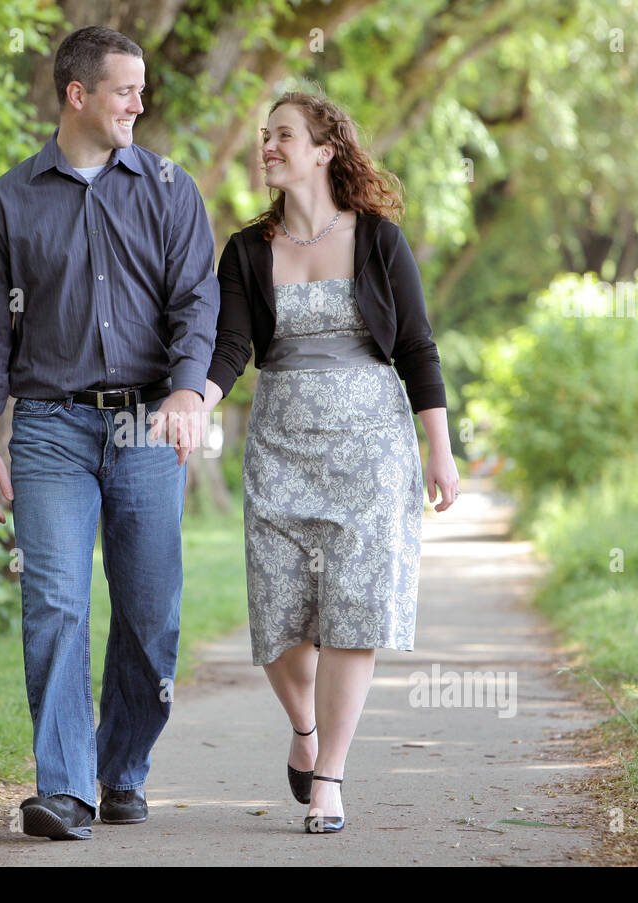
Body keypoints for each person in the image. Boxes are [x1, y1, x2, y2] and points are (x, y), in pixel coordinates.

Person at [0, 26, 219, 841]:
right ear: (77, 95)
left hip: (145, 424)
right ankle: (62, 789)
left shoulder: (171, 190)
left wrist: (183, 392)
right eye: (124, 89)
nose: (139, 103)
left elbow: (195, 306)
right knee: (55, 601)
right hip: (49, 429)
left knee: (149, 615)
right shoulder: (8, 201)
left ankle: (121, 768)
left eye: (140, 89)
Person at [188, 90, 460, 834]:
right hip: (280, 448)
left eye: (282, 135)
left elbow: (417, 349)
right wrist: (194, 406)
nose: (267, 145)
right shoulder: (247, 249)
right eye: (264, 135)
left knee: (353, 611)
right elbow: (230, 349)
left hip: (372, 451)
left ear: (323, 150)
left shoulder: (378, 241)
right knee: (277, 614)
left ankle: (331, 775)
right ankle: (303, 729)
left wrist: (440, 450)